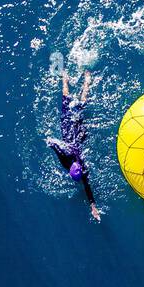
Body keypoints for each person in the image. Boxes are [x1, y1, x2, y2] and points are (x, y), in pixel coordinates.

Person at [47, 70, 102, 221]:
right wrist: (50, 142)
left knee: (80, 105)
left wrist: (51, 143)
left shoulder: (68, 159)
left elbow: (87, 186)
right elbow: (55, 146)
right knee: (68, 101)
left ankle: (84, 81)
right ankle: (67, 79)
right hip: (69, 132)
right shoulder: (72, 161)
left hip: (75, 134)